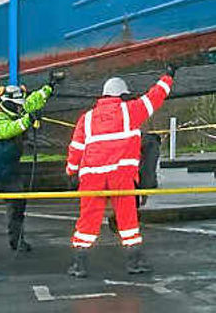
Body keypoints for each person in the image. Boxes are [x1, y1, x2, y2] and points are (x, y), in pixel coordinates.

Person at [65, 69, 174, 278]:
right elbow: (155, 97)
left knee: (88, 220)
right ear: (122, 95)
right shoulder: (130, 111)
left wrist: (71, 171)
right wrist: (169, 76)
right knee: (127, 219)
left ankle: (78, 264)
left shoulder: (86, 118)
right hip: (120, 175)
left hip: (92, 176)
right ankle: (134, 262)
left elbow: (76, 148)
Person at [0, 83, 53, 258]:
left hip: (10, 169)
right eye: (18, 104)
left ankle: (17, 240)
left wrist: (48, 87)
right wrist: (26, 121)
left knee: (17, 206)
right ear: (9, 103)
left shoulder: (19, 110)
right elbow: (6, 131)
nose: (21, 106)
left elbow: (34, 101)